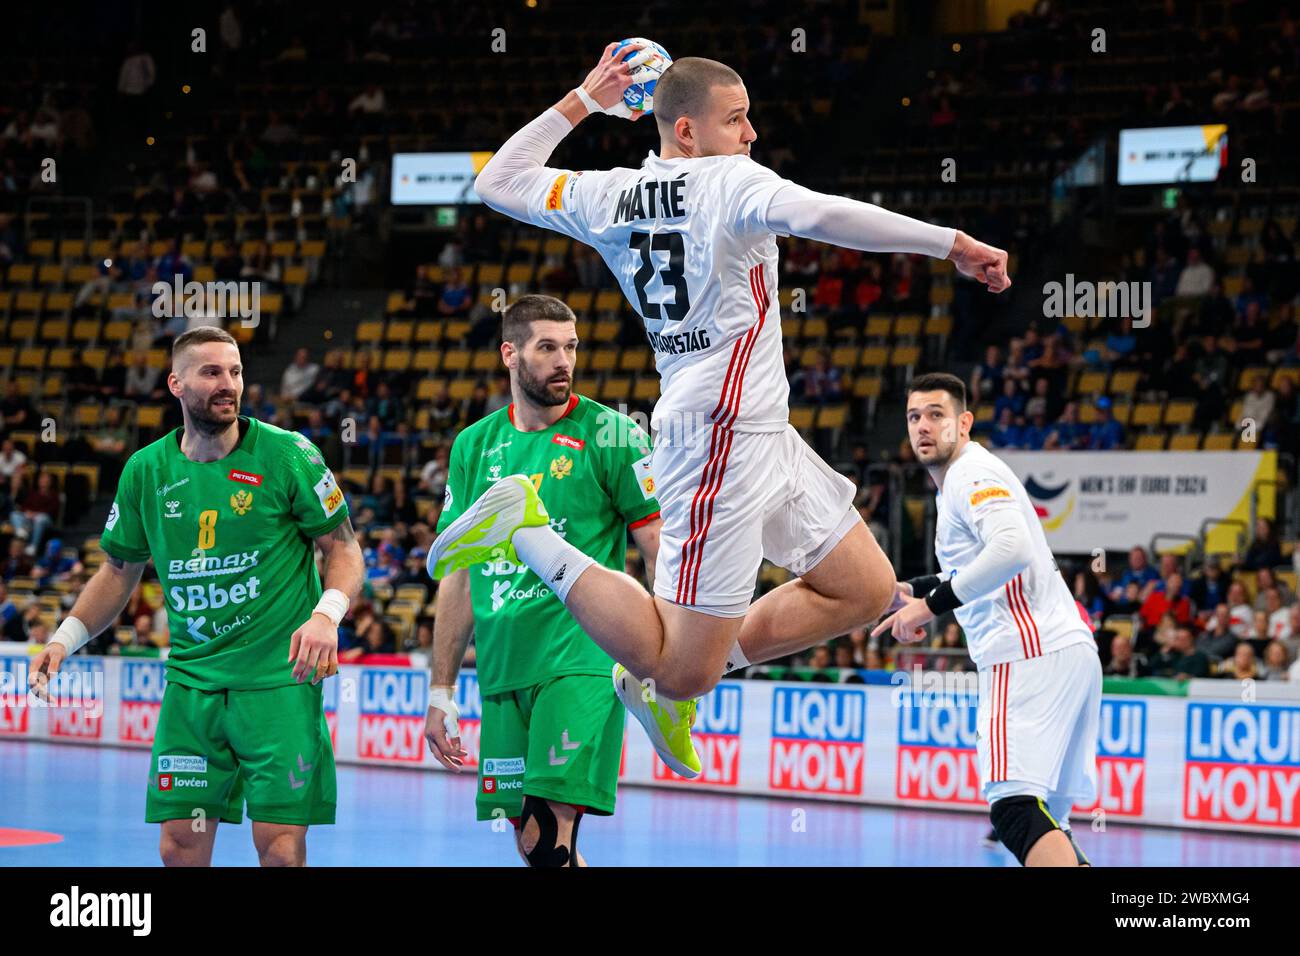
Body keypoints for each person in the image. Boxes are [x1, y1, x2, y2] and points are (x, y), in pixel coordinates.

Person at [429, 49, 1010, 776]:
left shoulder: (609, 195)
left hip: (760, 430)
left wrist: (583, 98)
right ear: (687, 131)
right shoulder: (729, 180)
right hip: (718, 439)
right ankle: (529, 532)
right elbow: (825, 215)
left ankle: (679, 689)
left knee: (863, 588)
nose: (752, 134)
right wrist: (949, 243)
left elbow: (497, 181)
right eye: (736, 119)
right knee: (679, 669)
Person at [29, 326, 364, 867]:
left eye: (234, 372)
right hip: (192, 687)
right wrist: (66, 638)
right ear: (176, 384)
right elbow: (118, 571)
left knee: (280, 848)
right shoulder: (146, 471)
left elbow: (345, 548)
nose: (227, 383)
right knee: (179, 846)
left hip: (277, 683)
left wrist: (328, 615)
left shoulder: (289, 455)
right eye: (211, 372)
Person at [425, 295, 662, 867]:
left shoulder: (615, 435)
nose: (564, 361)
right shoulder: (472, 445)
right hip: (505, 665)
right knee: (532, 843)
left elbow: (659, 549)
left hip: (582, 658)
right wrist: (441, 691)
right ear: (510, 354)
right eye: (547, 347)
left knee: (548, 832)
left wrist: (659, 657)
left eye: (572, 347)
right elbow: (457, 574)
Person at [871, 373, 1100, 867]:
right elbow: (974, 564)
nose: (923, 426)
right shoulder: (965, 478)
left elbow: (1011, 551)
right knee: (1043, 821)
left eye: (936, 414)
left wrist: (928, 608)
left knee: (1013, 809)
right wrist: (911, 590)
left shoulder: (969, 474)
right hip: (1064, 651)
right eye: (914, 417)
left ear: (964, 422)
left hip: (1028, 653)